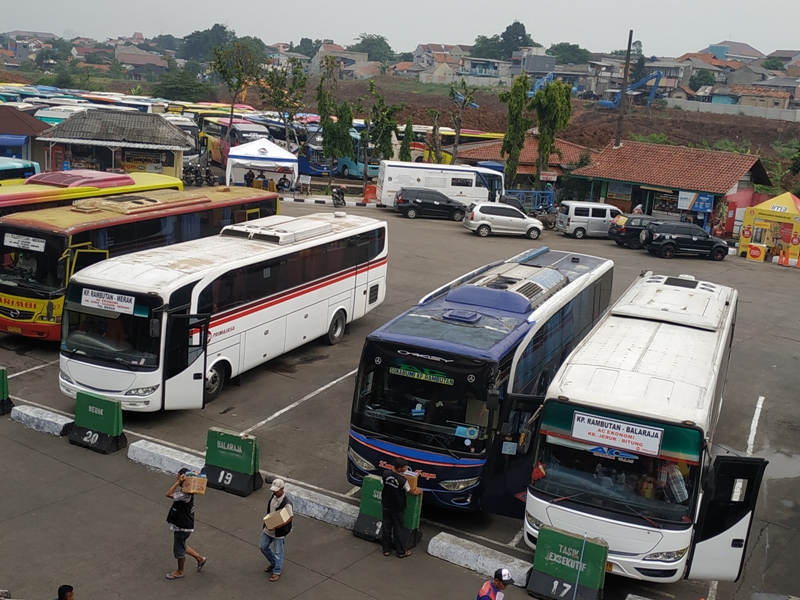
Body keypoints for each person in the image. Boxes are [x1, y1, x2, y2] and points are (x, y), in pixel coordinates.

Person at [165, 468, 207, 580]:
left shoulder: (185, 495)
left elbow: (169, 494)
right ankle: (200, 559)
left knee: (179, 549)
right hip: (185, 525)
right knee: (182, 545)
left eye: (178, 476)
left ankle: (180, 571)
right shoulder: (187, 493)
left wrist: (178, 482)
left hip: (183, 527)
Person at [381, 456, 421, 558]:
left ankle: (386, 550)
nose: (406, 468)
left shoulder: (385, 474)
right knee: (398, 529)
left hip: (386, 504)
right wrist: (419, 491)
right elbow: (410, 491)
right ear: (399, 469)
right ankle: (401, 552)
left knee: (386, 528)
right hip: (398, 508)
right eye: (405, 467)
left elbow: (383, 484)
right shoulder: (402, 480)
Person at [260, 478, 293, 582]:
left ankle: (277, 571)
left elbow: (289, 517)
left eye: (276, 490)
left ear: (282, 489)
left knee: (279, 551)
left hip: (279, 532)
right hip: (268, 528)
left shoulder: (286, 503)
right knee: (263, 546)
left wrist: (277, 525)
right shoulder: (273, 497)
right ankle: (274, 563)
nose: (274, 492)